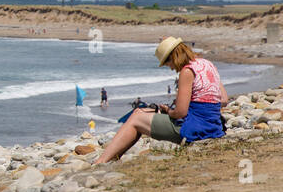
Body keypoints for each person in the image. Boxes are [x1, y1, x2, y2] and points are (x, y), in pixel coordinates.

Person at [94, 37, 227, 164]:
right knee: (142, 112)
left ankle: (102, 161)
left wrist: (169, 111)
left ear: (173, 57)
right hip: (213, 124)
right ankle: (111, 159)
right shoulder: (208, 64)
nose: (170, 67)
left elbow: (180, 113)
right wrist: (201, 106)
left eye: (167, 63)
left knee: (136, 117)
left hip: (195, 128)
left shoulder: (187, 71)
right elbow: (223, 100)